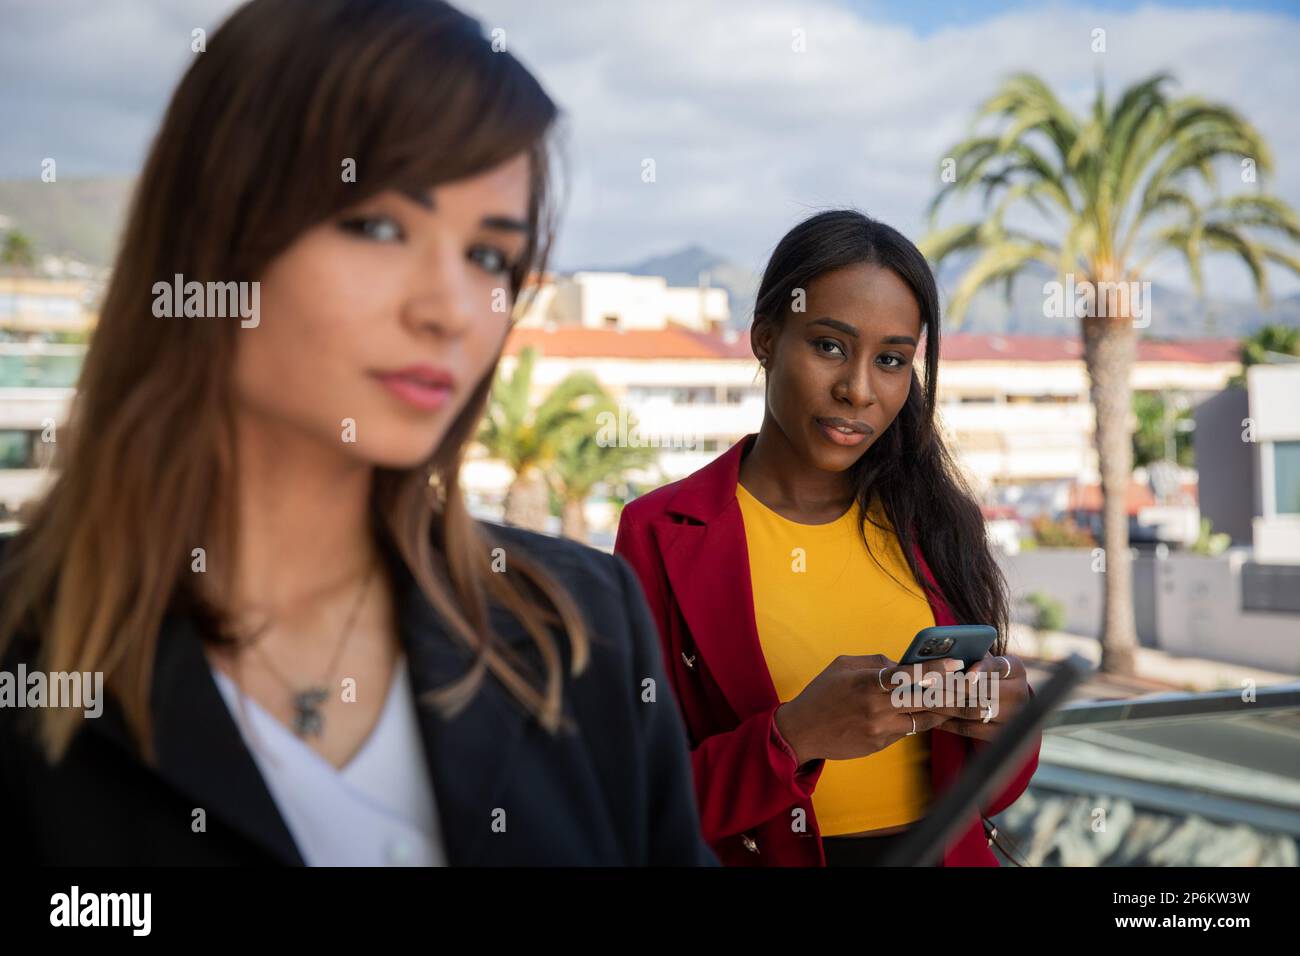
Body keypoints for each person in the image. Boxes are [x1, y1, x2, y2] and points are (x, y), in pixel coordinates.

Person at [0, 0, 714, 867]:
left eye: (489, 256)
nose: (448, 310)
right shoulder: (26, 651)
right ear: (214, 234)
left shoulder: (583, 631)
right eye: (378, 227)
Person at [615, 209, 1041, 866]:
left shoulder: (937, 519)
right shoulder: (659, 533)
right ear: (764, 338)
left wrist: (1004, 723)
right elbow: (635, 801)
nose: (857, 389)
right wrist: (792, 737)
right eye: (829, 346)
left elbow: (990, 796)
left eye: (892, 359)